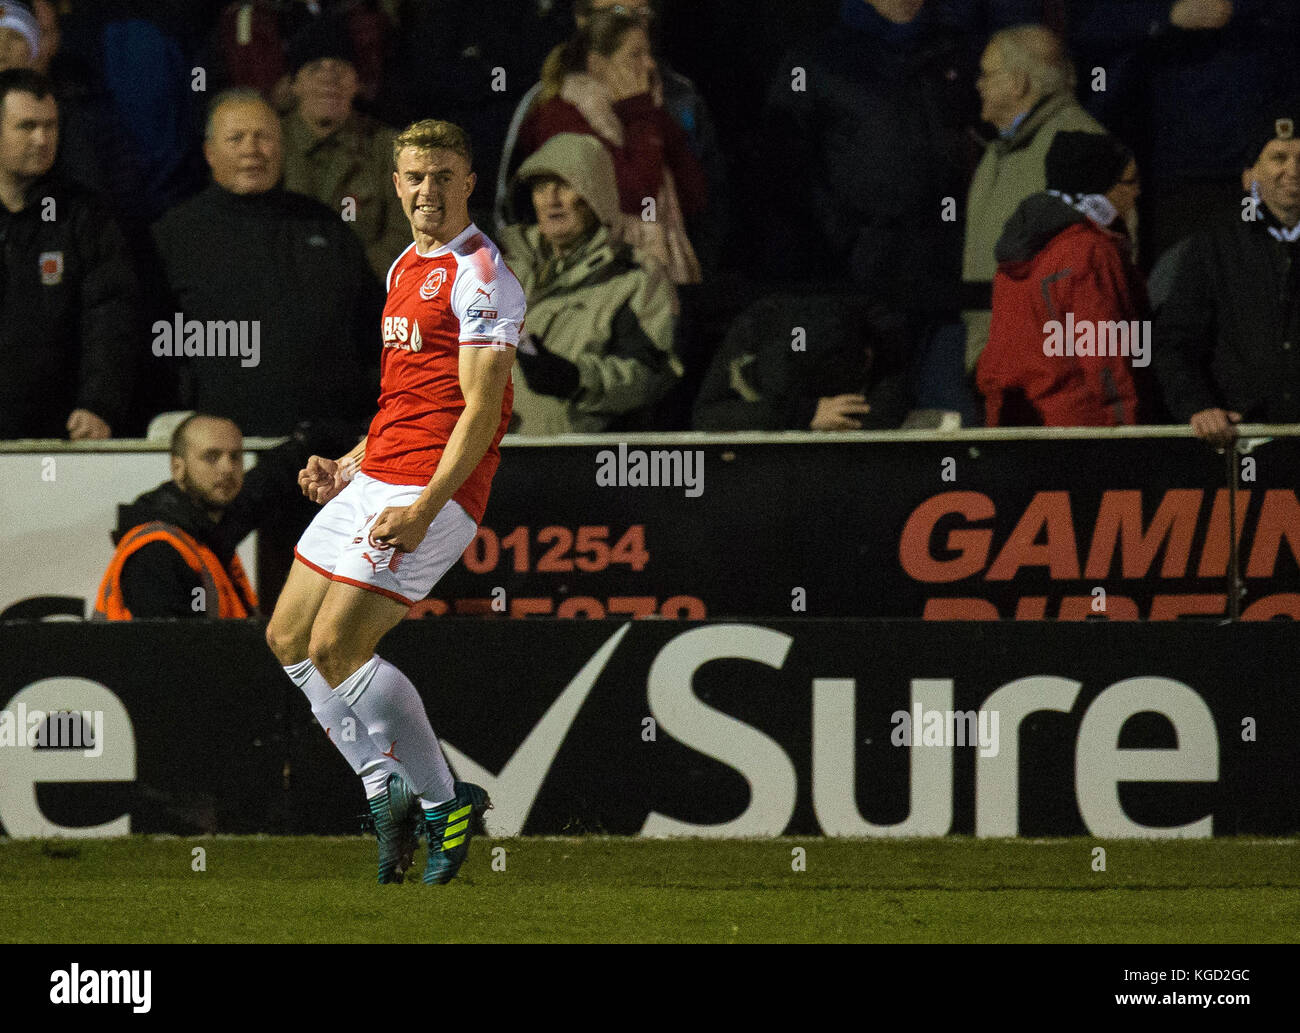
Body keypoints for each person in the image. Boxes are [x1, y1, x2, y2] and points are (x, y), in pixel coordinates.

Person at [263, 119, 523, 886]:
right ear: (396, 181)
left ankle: (445, 799)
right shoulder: (406, 265)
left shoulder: (484, 273)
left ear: (469, 181)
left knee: (339, 646)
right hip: (380, 475)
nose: (426, 190)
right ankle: (386, 785)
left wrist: (424, 506)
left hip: (435, 490)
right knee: (288, 636)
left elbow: (481, 411)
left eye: (443, 175)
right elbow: (404, 401)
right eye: (414, 176)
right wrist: (348, 465)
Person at [149, 88, 381, 436]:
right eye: (236, 138)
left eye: (263, 137)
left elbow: (372, 328)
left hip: (327, 442)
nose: (251, 150)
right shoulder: (174, 236)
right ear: (209, 152)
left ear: (282, 146)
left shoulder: (325, 227)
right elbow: (156, 342)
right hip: (221, 453)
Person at [494, 0, 726, 275]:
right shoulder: (556, 108)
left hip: (671, 279)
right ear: (582, 20)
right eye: (617, 12)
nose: (634, 23)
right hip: (585, 282)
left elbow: (701, 198)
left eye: (642, 13)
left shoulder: (675, 97)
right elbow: (633, 200)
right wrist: (640, 115)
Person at [498, 132, 680, 434]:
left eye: (566, 184)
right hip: (483, 460)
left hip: (571, 460)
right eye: (541, 186)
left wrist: (576, 380)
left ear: (596, 194)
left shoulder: (634, 279)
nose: (552, 198)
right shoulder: (496, 266)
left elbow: (652, 376)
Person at [962, 24, 1108, 373]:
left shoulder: (1079, 147)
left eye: (986, 74)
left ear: (1017, 83)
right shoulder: (999, 151)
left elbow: (1098, 271)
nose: (978, 84)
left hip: (1045, 370)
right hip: (1001, 356)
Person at [0, 68, 137, 439]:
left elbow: (110, 315)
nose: (42, 139)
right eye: (27, 126)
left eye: (51, 126)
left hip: (62, 430)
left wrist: (99, 403)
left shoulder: (84, 216)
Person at [977, 131, 1146, 426]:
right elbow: (1103, 355)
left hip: (1017, 423)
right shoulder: (1088, 251)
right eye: (1130, 182)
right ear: (1099, 192)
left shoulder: (1021, 250)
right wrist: (1125, 428)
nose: (1138, 192)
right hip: (1082, 429)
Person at [1154, 108, 1300, 447]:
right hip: (1244, 442)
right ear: (1250, 177)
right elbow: (1174, 342)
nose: (1292, 171)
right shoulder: (1213, 248)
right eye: (1278, 158)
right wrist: (1198, 406)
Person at [93, 415, 260, 620]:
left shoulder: (205, 538)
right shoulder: (157, 550)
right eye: (211, 456)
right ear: (177, 468)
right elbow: (170, 648)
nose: (227, 468)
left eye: (235, 457)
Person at [279, 20, 409, 280]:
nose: (329, 78)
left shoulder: (388, 149)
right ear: (294, 85)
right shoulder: (271, 144)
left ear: (356, 83)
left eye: (340, 68)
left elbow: (405, 236)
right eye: (315, 68)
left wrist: (349, 277)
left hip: (366, 294)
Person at [692, 293, 909, 431]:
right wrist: (803, 414)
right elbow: (707, 416)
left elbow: (882, 419)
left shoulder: (880, 341)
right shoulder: (757, 332)